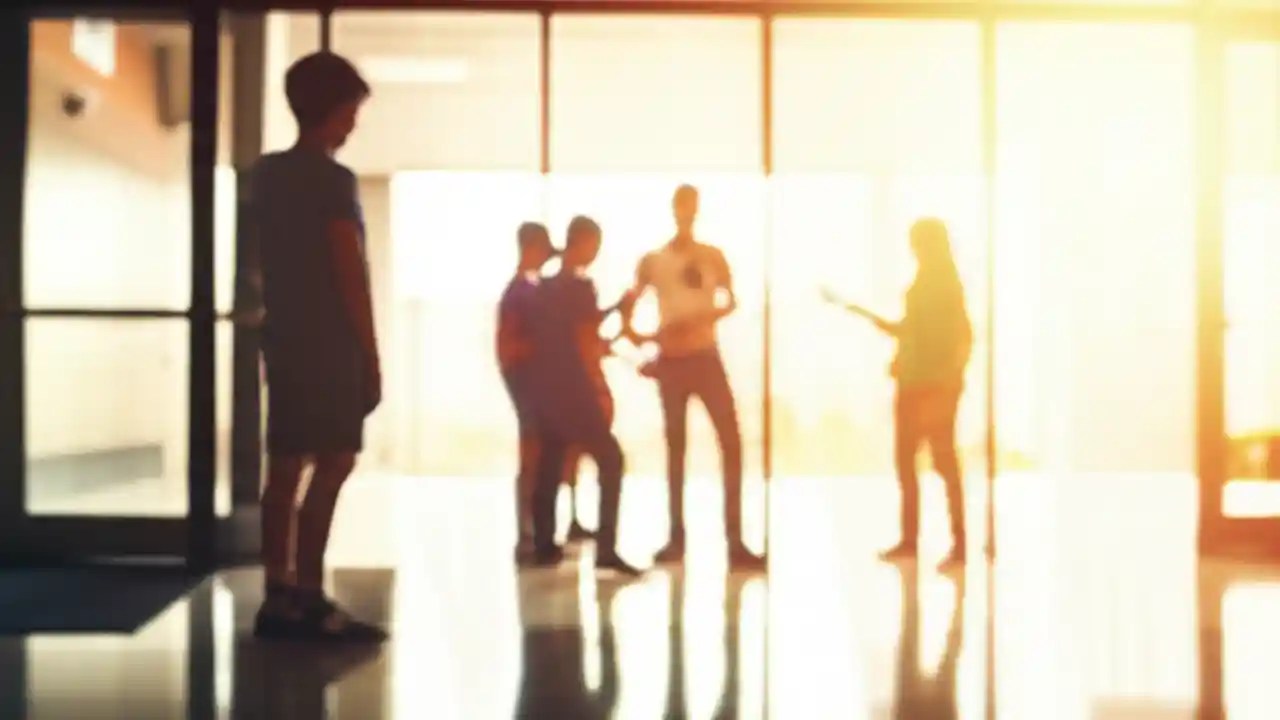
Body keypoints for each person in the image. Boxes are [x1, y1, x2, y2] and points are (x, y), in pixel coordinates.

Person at [247, 52, 385, 641]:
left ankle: (278, 595)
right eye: (350, 110)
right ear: (331, 110)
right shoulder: (333, 181)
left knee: (284, 469)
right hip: (330, 344)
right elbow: (347, 267)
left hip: (284, 338)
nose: (354, 122)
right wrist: (371, 354)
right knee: (333, 461)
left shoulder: (266, 175)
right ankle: (307, 594)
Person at [628, 184, 766, 571]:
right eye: (682, 206)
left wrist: (698, 321)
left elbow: (731, 301)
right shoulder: (653, 261)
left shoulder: (712, 257)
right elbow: (632, 303)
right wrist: (651, 339)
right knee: (676, 449)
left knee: (731, 442)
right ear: (675, 209)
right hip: (673, 360)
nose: (687, 212)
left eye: (692, 207)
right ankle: (676, 538)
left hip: (705, 355)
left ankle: (735, 541)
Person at [835, 218, 972, 571]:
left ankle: (958, 544)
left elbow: (960, 337)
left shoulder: (945, 287)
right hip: (913, 383)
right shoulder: (926, 283)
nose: (914, 249)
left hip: (934, 386)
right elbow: (911, 331)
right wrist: (867, 317)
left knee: (942, 462)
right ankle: (912, 541)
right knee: (909, 463)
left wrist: (949, 381)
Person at [528, 216, 643, 576]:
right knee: (610, 459)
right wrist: (621, 310)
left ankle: (544, 546)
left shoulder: (543, 288)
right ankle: (606, 548)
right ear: (584, 242)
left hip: (548, 391)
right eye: (594, 245)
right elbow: (587, 336)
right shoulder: (580, 288)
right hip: (576, 389)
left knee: (549, 466)